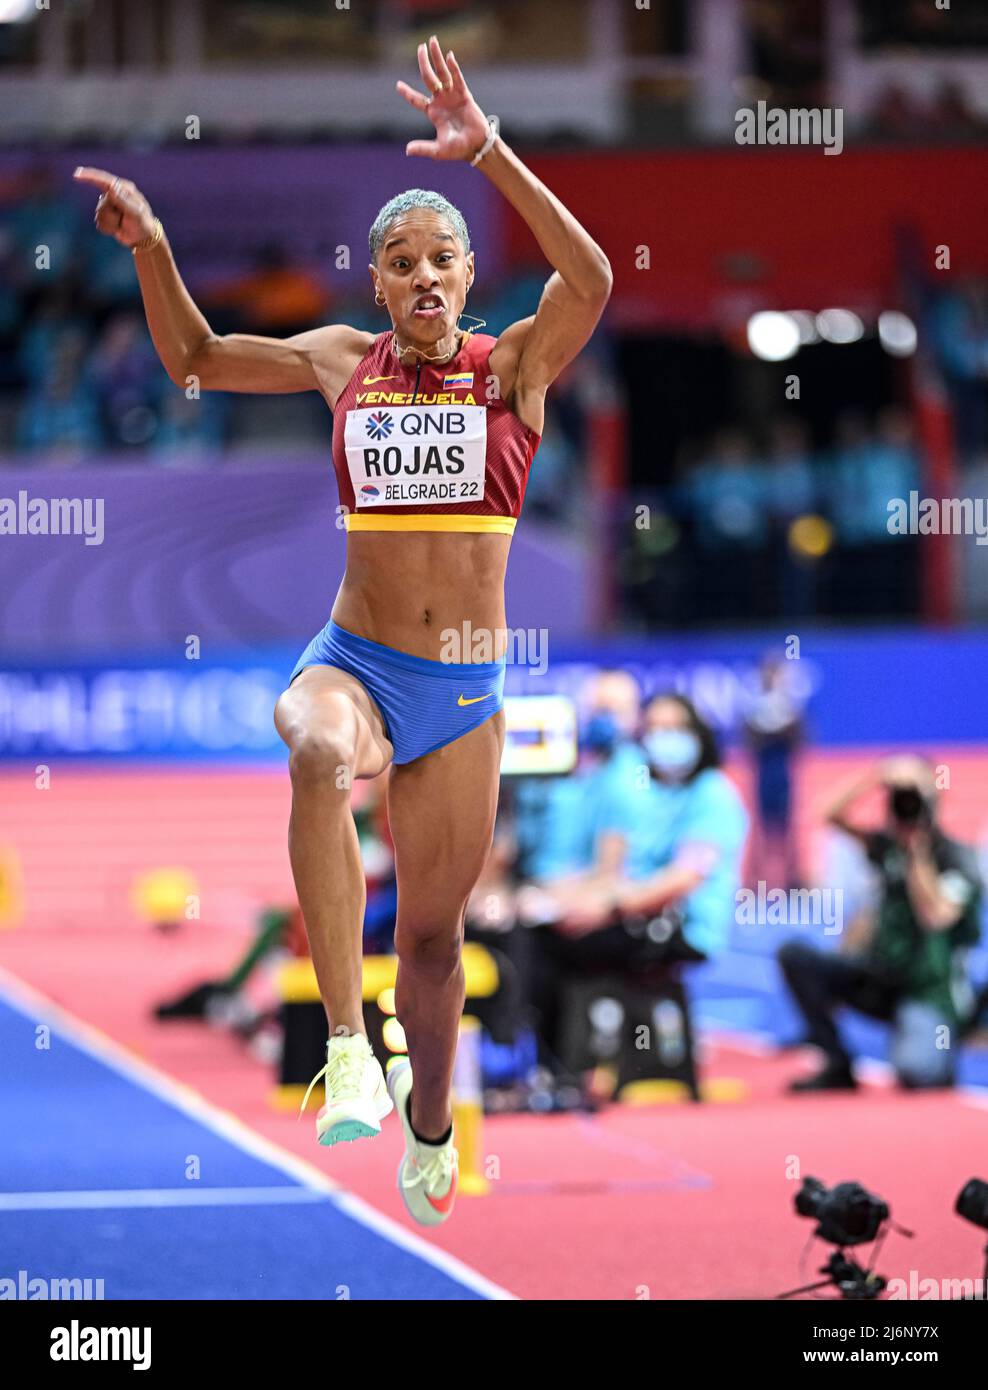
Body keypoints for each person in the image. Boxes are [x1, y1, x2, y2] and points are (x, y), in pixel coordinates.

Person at [75, 35, 612, 1227]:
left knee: (430, 944)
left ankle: (426, 1117)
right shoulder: (337, 363)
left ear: (470, 273)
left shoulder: (513, 367)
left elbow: (593, 282)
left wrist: (495, 154)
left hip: (463, 691)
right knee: (311, 748)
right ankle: (343, 1043)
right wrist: (156, 249)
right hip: (355, 661)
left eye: (442, 258)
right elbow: (199, 359)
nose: (423, 276)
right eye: (401, 261)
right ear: (375, 282)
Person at [525, 694, 748, 1067]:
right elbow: (614, 874)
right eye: (656, 729)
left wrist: (608, 908)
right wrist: (553, 897)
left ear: (699, 734)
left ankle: (562, 1068)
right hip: (634, 915)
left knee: (548, 946)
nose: (666, 738)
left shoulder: (714, 795)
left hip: (679, 926)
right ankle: (560, 1064)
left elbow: (683, 878)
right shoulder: (649, 795)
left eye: (676, 729)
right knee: (540, 926)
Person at [778, 756, 983, 1092]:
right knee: (796, 956)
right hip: (879, 975)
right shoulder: (886, 847)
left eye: (915, 797)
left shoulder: (958, 857)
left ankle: (940, 1044)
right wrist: (877, 776)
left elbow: (935, 915)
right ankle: (837, 1062)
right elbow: (827, 814)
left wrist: (917, 853)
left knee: (918, 1074)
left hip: (928, 991)